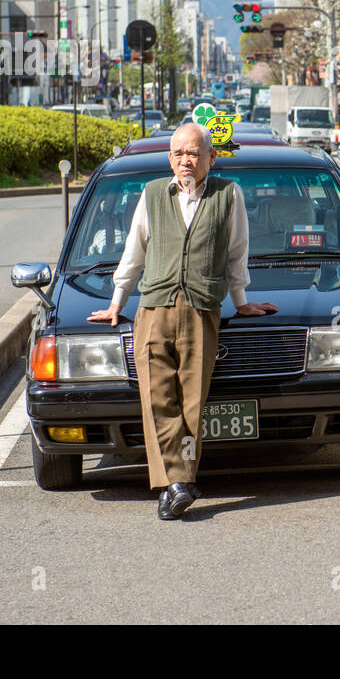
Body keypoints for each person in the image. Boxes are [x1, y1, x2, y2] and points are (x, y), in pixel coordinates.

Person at [87, 123, 277, 520]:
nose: (184, 161)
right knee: (158, 399)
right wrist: (116, 301)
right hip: (153, 309)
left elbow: (236, 251)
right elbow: (134, 251)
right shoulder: (153, 193)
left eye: (192, 153)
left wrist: (240, 301)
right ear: (169, 158)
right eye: (177, 154)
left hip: (202, 309)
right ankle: (178, 482)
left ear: (210, 157)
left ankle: (177, 482)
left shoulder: (228, 195)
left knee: (192, 401)